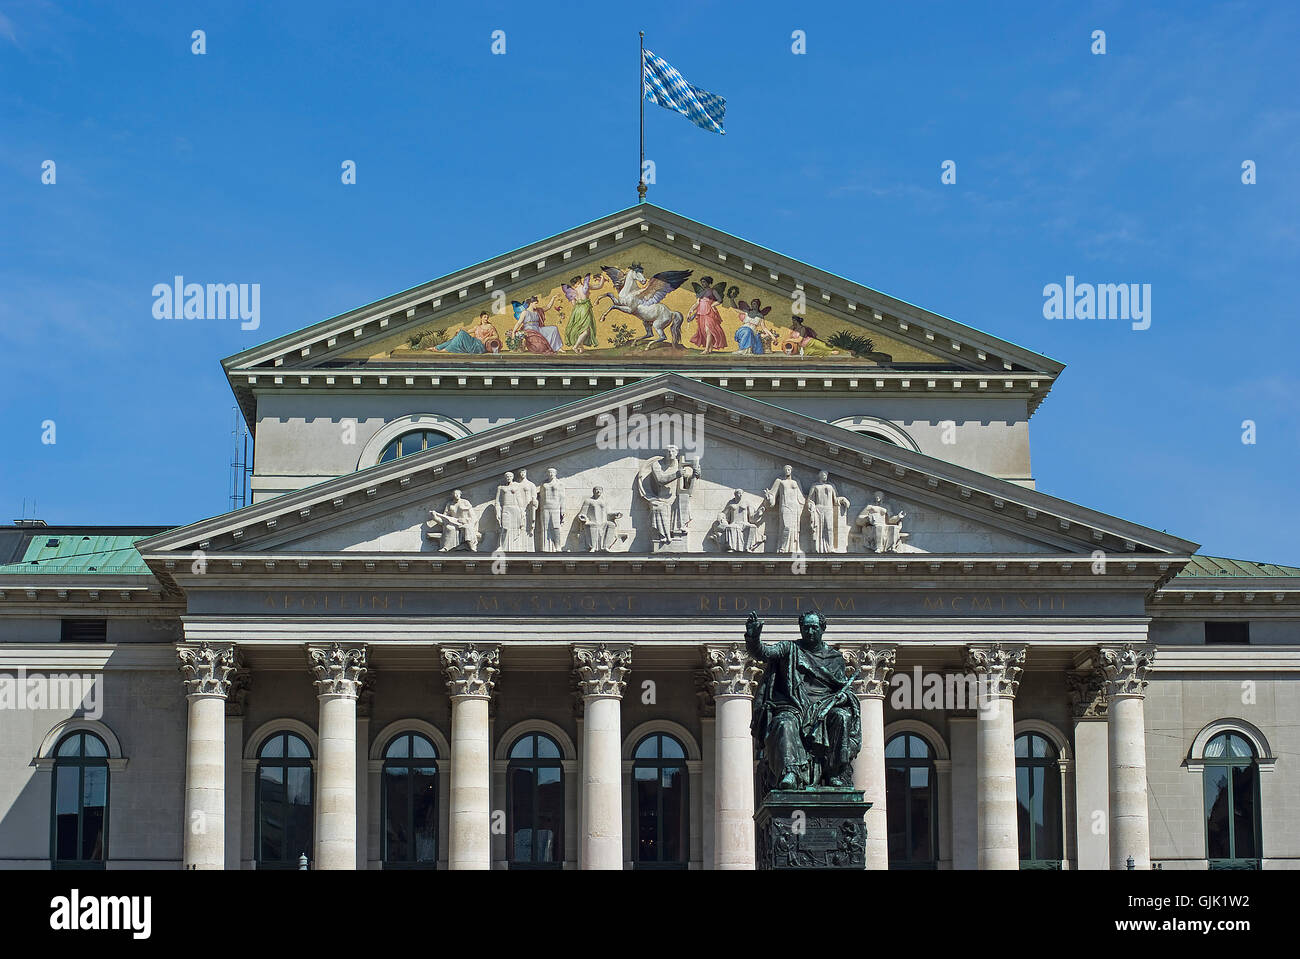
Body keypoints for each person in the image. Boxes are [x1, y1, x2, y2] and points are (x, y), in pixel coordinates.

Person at [745, 610, 861, 793]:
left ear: (823, 629)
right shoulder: (789, 649)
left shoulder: (835, 658)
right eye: (806, 627)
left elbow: (843, 689)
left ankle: (833, 772)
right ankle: (790, 772)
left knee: (841, 717)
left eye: (814, 627)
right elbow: (764, 652)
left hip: (824, 706)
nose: (810, 631)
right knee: (784, 723)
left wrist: (844, 697)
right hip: (794, 705)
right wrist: (753, 638)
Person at [562, 274, 606, 353]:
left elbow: (574, 303)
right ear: (579, 281)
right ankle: (575, 346)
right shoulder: (585, 287)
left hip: (577, 310)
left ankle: (581, 347)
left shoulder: (573, 291)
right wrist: (602, 278)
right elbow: (599, 286)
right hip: (585, 309)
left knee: (579, 329)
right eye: (581, 280)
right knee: (586, 330)